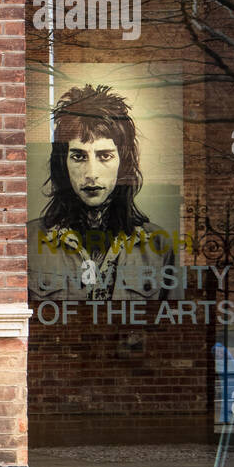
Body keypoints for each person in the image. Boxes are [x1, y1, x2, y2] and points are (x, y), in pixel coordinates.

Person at [27, 83, 174, 302]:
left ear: (122, 162)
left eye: (104, 156)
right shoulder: (27, 242)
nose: (91, 174)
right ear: (63, 163)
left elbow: (168, 326)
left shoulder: (158, 246)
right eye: (79, 156)